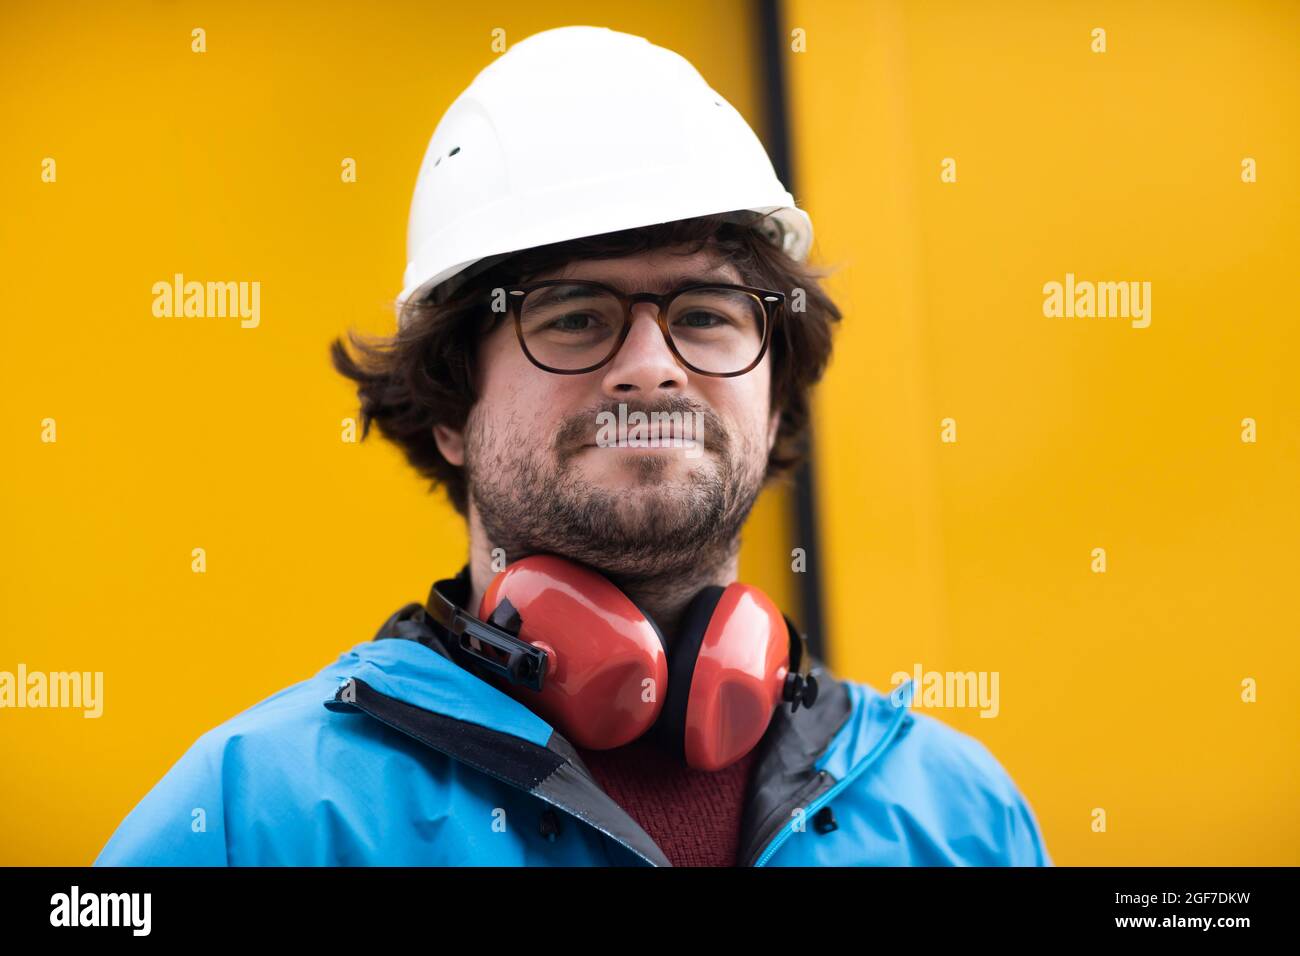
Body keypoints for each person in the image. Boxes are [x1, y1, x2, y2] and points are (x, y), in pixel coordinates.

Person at [94, 25, 1051, 867]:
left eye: (707, 313)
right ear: (451, 409)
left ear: (775, 384)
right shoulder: (258, 817)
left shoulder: (957, 817)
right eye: (576, 316)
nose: (651, 368)